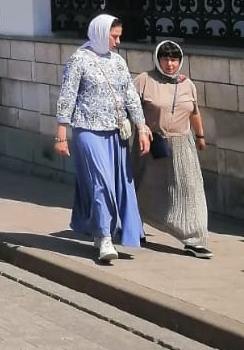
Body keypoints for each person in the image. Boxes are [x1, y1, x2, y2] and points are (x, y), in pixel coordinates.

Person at [55, 14, 151, 264]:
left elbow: (130, 96)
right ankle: (105, 239)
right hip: (88, 131)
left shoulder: (118, 61)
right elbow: (67, 95)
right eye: (114, 36)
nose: (117, 42)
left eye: (119, 36)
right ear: (99, 33)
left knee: (119, 184)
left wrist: (141, 127)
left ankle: (104, 232)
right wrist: (61, 133)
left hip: (117, 133)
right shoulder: (79, 59)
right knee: (102, 183)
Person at [132, 41, 212, 258]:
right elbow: (131, 108)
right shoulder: (144, 80)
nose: (169, 64)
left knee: (190, 190)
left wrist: (200, 136)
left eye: (174, 59)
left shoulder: (188, 84)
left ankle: (194, 240)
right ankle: (134, 227)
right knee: (146, 187)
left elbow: (194, 112)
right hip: (152, 143)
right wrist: (142, 129)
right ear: (157, 60)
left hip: (182, 144)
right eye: (165, 58)